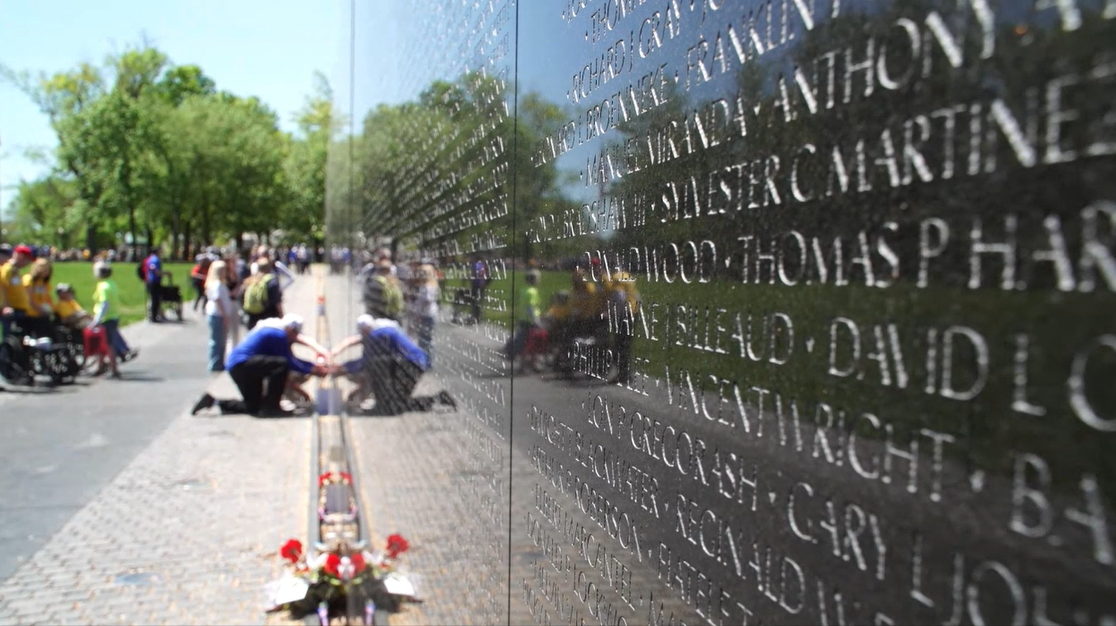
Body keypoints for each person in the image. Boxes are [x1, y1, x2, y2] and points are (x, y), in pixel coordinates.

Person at [190, 314, 330, 417]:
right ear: (290, 329)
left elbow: (292, 360)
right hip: (243, 364)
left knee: (254, 407)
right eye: (295, 334)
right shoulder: (278, 335)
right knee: (281, 364)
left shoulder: (274, 330)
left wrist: (312, 366)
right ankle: (272, 407)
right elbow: (290, 362)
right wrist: (313, 369)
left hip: (239, 366)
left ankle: (213, 401)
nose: (294, 338)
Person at [332, 314, 455, 415]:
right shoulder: (381, 331)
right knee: (394, 400)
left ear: (365, 330)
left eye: (362, 333)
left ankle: (438, 398)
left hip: (411, 364)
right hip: (411, 363)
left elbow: (366, 362)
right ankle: (386, 404)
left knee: (397, 405)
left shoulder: (376, 336)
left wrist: (343, 368)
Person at [90, 262, 128, 378]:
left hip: (106, 318)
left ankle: (114, 369)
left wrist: (97, 320)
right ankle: (100, 366)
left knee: (108, 344)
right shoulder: (111, 283)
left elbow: (105, 304)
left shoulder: (103, 287)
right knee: (103, 343)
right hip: (113, 317)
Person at [504, 269, 543, 370]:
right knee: (531, 343)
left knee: (525, 343)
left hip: (523, 319)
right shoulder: (532, 292)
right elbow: (530, 308)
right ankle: (529, 364)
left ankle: (526, 363)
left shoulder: (524, 290)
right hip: (530, 321)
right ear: (534, 280)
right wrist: (536, 321)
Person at [204, 260, 234, 372]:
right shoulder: (217, 284)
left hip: (217, 314)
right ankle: (216, 364)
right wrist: (224, 315)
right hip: (218, 314)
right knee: (217, 341)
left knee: (220, 340)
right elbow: (217, 300)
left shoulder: (218, 283)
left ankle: (219, 362)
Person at [0, 245, 35, 338]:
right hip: (12, 310)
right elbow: (2, 286)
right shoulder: (8, 269)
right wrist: (5, 306)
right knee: (10, 339)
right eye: (28, 260)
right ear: (21, 256)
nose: (28, 264)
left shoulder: (15, 270)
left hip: (20, 309)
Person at [410, 264, 440, 366]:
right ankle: (426, 359)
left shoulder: (427, 287)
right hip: (429, 314)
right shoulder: (431, 285)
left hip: (426, 315)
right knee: (426, 339)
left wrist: (418, 314)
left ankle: (426, 361)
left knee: (424, 339)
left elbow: (426, 300)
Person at [242, 257, 283, 329]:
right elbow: (277, 302)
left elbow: (242, 296)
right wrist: (281, 316)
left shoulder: (250, 280)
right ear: (269, 268)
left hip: (253, 318)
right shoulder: (271, 281)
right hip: (268, 317)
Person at [22, 257, 55, 338]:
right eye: (44, 269)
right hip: (30, 315)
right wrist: (41, 310)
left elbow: (47, 298)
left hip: (41, 314)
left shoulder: (43, 282)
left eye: (47, 269)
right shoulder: (28, 279)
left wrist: (52, 310)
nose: (46, 272)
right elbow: (29, 300)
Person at [144, 247, 164, 322]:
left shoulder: (149, 259)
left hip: (149, 281)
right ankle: (154, 317)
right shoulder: (155, 259)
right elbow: (156, 270)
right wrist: (164, 273)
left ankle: (153, 316)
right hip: (154, 281)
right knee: (155, 299)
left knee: (153, 299)